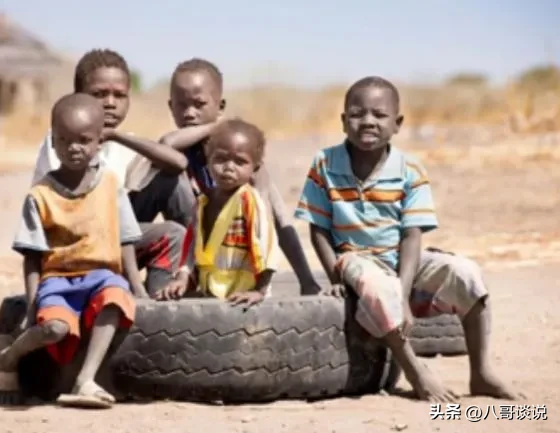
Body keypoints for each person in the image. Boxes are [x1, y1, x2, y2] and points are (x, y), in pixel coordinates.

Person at [294, 76, 523, 402]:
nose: (368, 121)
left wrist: (403, 294)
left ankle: (481, 372)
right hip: (354, 259)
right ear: (343, 121)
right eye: (357, 114)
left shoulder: (410, 169)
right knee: (380, 286)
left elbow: (411, 235)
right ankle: (415, 371)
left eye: (379, 114)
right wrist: (335, 277)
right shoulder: (325, 163)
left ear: (397, 124)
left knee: (466, 273)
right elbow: (317, 227)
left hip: (399, 259)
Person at [0, 93, 145, 408]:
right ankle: (7, 356)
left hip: (102, 275)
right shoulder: (40, 195)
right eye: (64, 140)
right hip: (58, 280)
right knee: (53, 329)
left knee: (116, 299)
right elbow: (32, 256)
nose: (74, 147)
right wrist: (32, 305)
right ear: (52, 141)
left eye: (84, 140)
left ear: (99, 143)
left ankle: (85, 381)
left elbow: (126, 239)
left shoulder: (111, 185)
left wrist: (138, 287)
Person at [32, 48, 195, 296]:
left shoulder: (120, 144)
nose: (110, 103)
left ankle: (188, 274)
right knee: (172, 234)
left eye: (119, 95)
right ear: (78, 97)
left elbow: (178, 163)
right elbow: (74, 212)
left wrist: (116, 136)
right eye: (99, 94)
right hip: (76, 244)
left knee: (169, 178)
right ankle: (154, 300)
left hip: (115, 236)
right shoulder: (64, 142)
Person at [158, 58, 322, 295]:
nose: (189, 113)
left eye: (199, 104)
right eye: (181, 105)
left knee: (264, 196)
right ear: (170, 106)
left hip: (238, 248)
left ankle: (292, 281)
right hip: (195, 249)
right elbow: (166, 143)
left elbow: (274, 218)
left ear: (220, 106)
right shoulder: (181, 150)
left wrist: (306, 281)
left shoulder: (239, 150)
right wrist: (215, 126)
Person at [155, 119, 277, 306]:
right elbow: (191, 247)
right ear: (208, 159)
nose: (229, 167)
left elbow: (266, 246)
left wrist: (259, 291)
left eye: (240, 162)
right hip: (211, 292)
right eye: (220, 159)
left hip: (245, 294)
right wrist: (182, 278)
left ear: (255, 168)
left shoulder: (249, 201)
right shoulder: (202, 202)